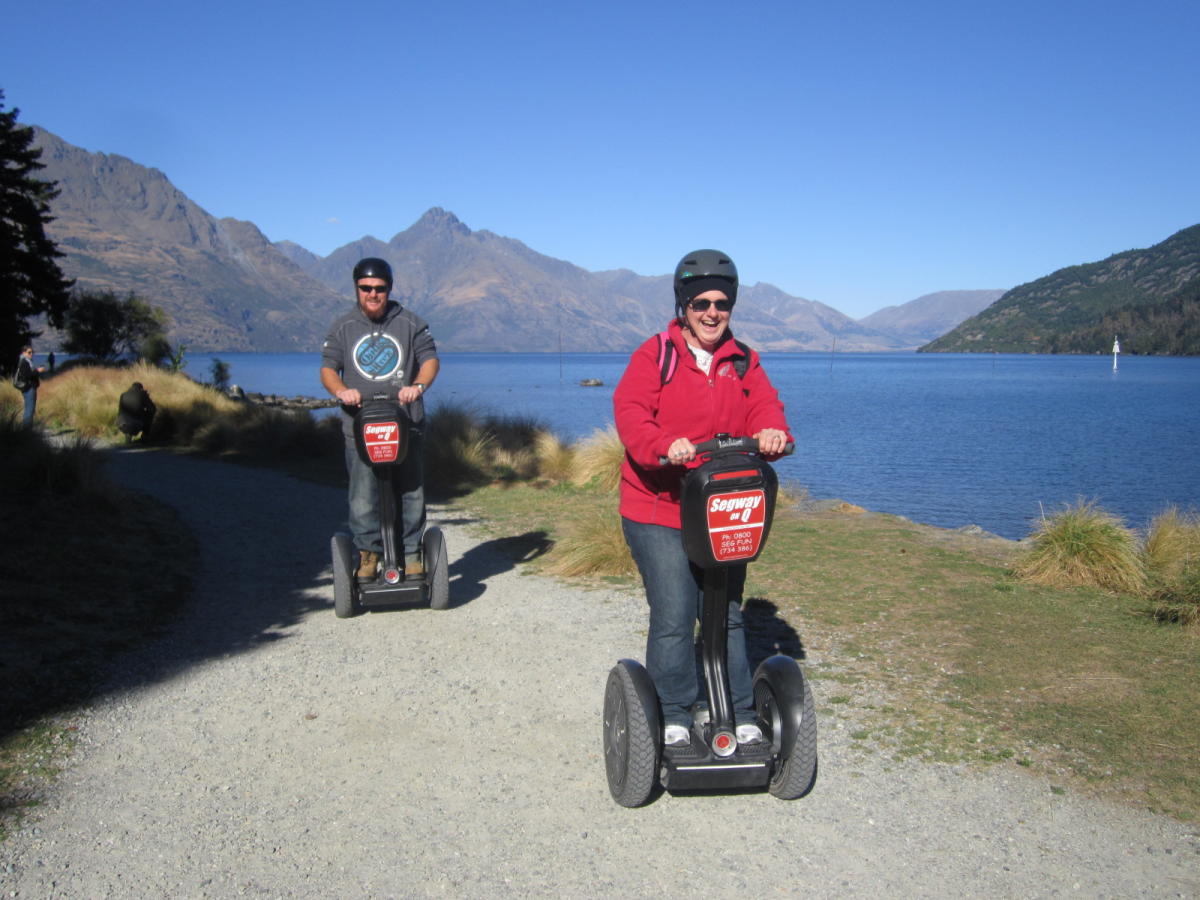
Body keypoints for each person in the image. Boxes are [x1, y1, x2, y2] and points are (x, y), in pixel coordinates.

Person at [613, 249, 792, 749]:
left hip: (719, 509)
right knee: (674, 611)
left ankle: (735, 710)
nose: (712, 312)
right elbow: (630, 410)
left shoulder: (744, 359)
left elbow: (764, 405)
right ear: (683, 306)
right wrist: (661, 445)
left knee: (726, 611)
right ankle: (672, 710)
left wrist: (773, 432)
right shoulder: (656, 354)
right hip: (659, 508)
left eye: (722, 303)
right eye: (700, 303)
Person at [320, 257, 440, 583]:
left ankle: (413, 553)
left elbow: (430, 361)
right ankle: (368, 553)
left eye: (380, 288)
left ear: (389, 289)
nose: (373, 294)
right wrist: (343, 391)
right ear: (357, 288)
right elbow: (329, 369)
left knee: (411, 491)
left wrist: (417, 387)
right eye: (366, 288)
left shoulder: (412, 323)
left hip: (406, 423)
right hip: (359, 426)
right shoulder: (342, 327)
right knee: (362, 494)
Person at [13, 346, 46, 427]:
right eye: (29, 352)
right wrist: (37, 371)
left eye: (32, 352)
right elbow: (26, 376)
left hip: (29, 387)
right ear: (23, 353)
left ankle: (27, 428)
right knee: (30, 408)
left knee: (29, 407)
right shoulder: (24, 362)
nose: (31, 354)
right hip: (29, 388)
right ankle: (26, 429)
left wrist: (36, 371)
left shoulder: (27, 361)